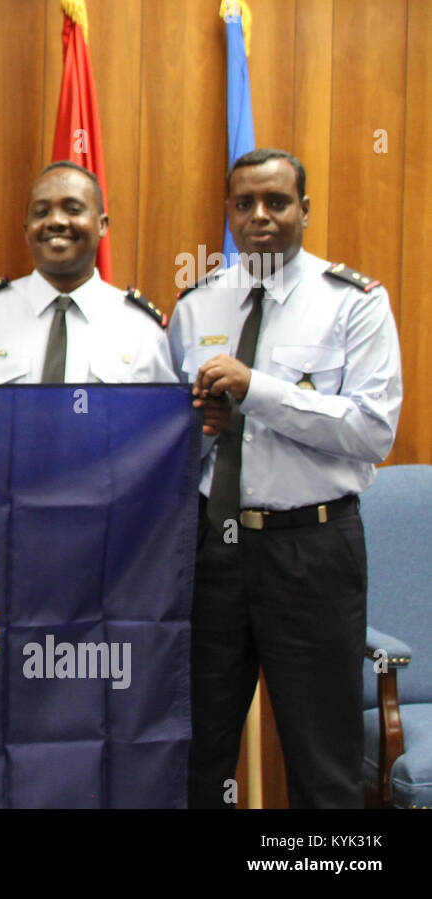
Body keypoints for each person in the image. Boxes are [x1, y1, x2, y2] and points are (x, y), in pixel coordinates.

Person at [168, 148, 402, 808]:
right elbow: (166, 441)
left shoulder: (353, 303)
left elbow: (370, 431)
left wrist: (257, 389)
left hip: (313, 551)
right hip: (212, 550)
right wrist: (198, 428)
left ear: (305, 209)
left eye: (276, 201)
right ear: (229, 214)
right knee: (199, 750)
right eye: (244, 204)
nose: (260, 216)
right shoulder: (195, 307)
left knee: (321, 757)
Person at [0, 162, 177, 386]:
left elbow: (160, 418)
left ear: (102, 225)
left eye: (73, 209)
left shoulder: (141, 329)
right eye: (41, 212)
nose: (55, 221)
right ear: (27, 229)